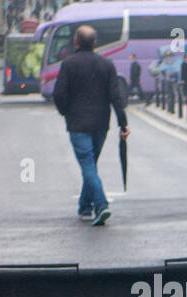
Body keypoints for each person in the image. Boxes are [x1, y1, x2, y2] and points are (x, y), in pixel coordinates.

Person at [52, 24, 127, 226]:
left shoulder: (68, 64)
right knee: (90, 165)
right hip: (101, 123)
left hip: (77, 124)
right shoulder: (107, 64)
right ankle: (85, 206)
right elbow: (115, 96)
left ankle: (100, 205)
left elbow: (59, 94)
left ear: (76, 41)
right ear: (95, 42)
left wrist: (65, 111)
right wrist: (123, 123)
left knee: (88, 165)